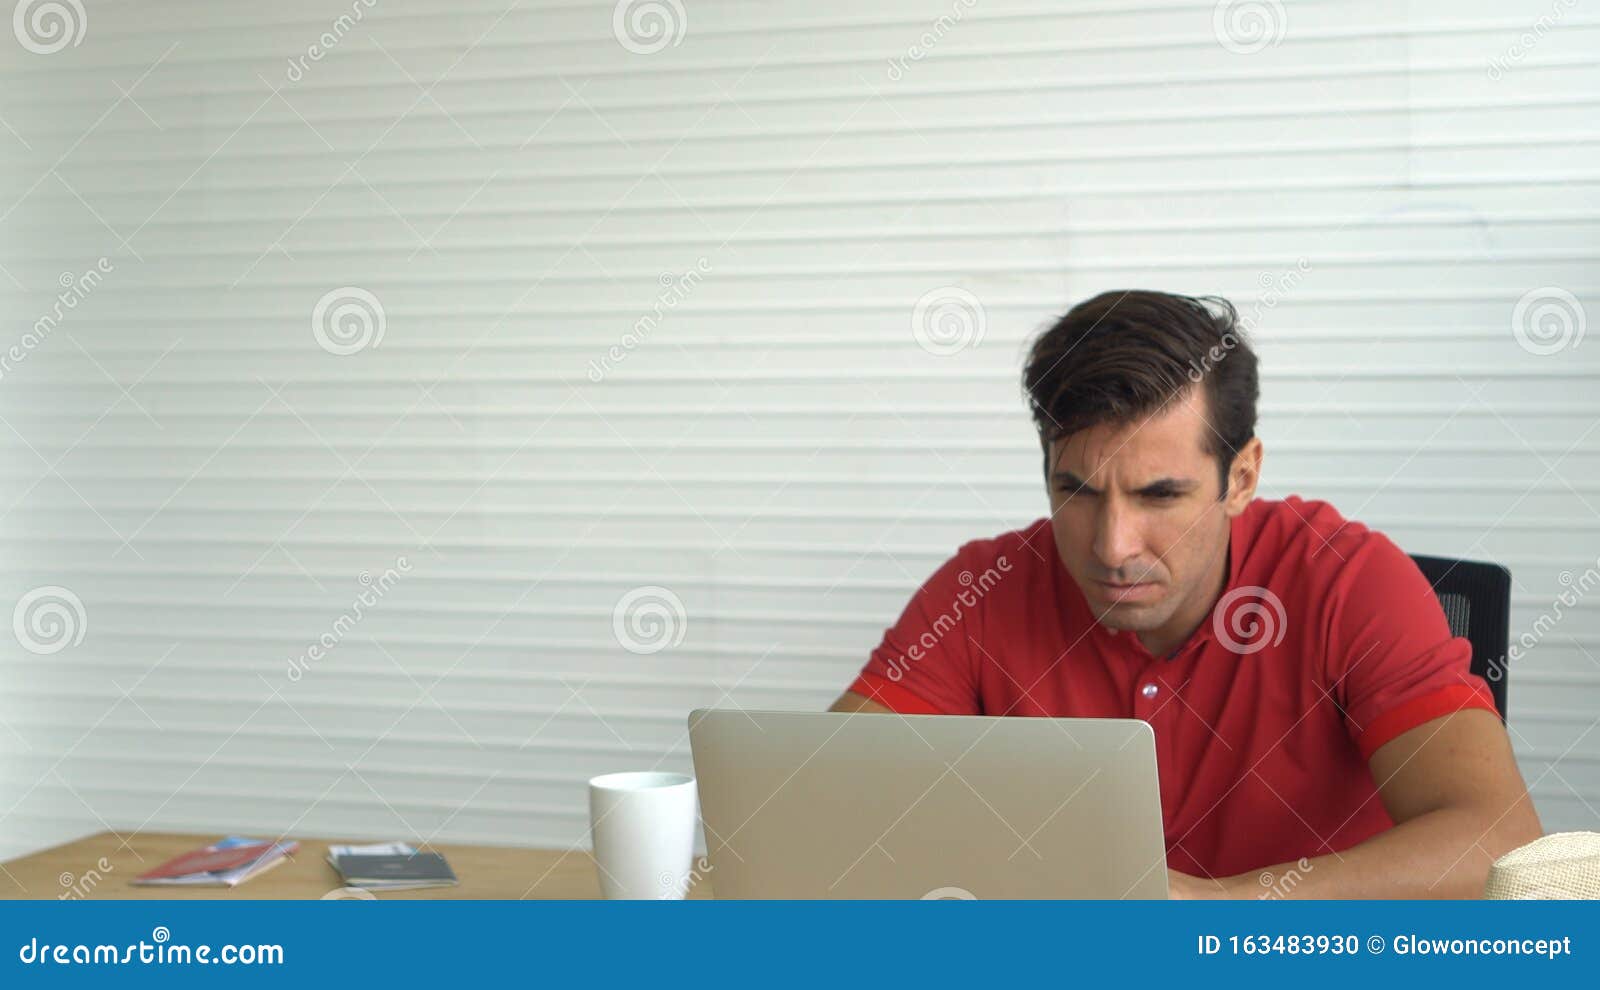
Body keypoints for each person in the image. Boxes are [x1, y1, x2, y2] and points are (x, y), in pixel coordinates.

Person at [830, 290, 1541, 898]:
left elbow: (1503, 844)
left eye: (1160, 495)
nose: (1113, 547)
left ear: (1241, 478)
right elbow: (819, 796)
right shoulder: (983, 588)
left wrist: (1222, 909)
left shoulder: (1348, 580)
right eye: (1075, 490)